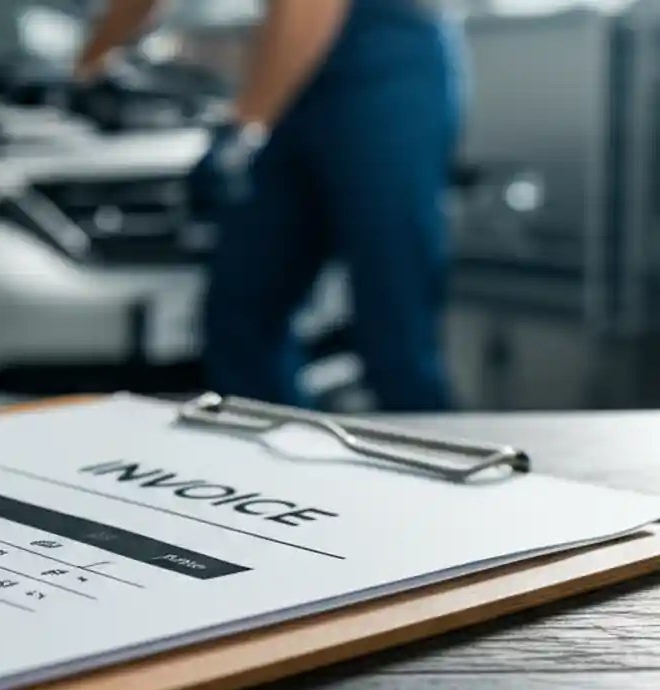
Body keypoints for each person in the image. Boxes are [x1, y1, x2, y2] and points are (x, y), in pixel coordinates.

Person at [75, 0, 465, 411]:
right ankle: (273, 462)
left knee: (394, 330)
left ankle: (438, 463)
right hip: (293, 87)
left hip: (384, 75)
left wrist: (246, 124)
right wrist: (87, 66)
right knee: (241, 316)